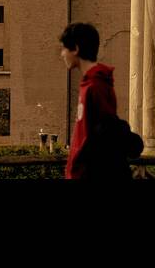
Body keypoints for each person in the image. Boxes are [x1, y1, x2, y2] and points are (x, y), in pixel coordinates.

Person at [60, 22, 142, 179]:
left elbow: (106, 130)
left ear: (76, 49)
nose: (62, 54)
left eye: (64, 48)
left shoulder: (96, 85)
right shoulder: (90, 83)